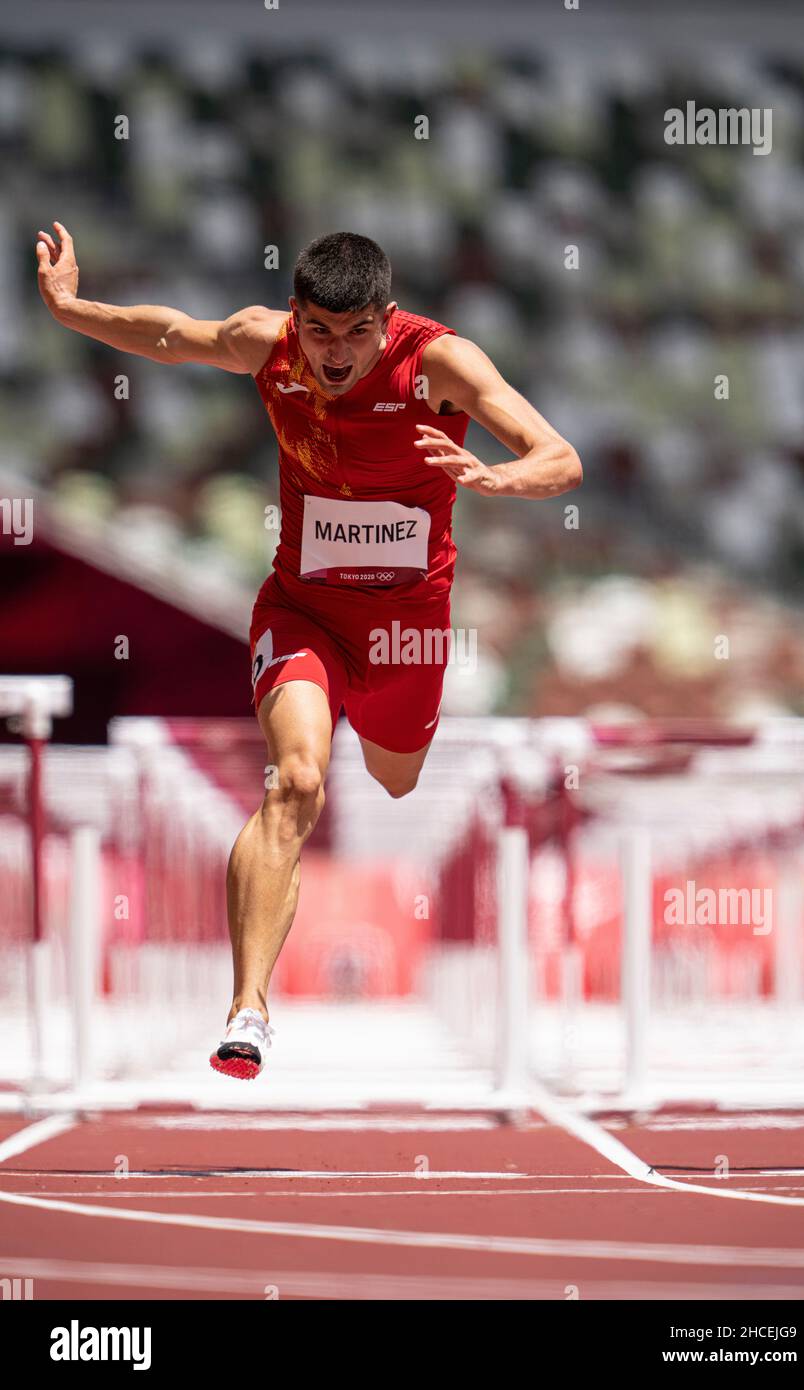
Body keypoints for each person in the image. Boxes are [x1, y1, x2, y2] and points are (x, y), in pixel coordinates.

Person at [36, 223, 582, 1079]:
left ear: (386, 319)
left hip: (407, 627)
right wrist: (73, 310)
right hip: (303, 612)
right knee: (295, 780)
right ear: (297, 316)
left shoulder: (441, 364)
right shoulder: (269, 345)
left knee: (396, 773)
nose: (335, 353)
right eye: (320, 332)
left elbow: (560, 456)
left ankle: (373, 743)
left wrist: (503, 478)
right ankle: (249, 1008)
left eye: (356, 332)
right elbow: (173, 335)